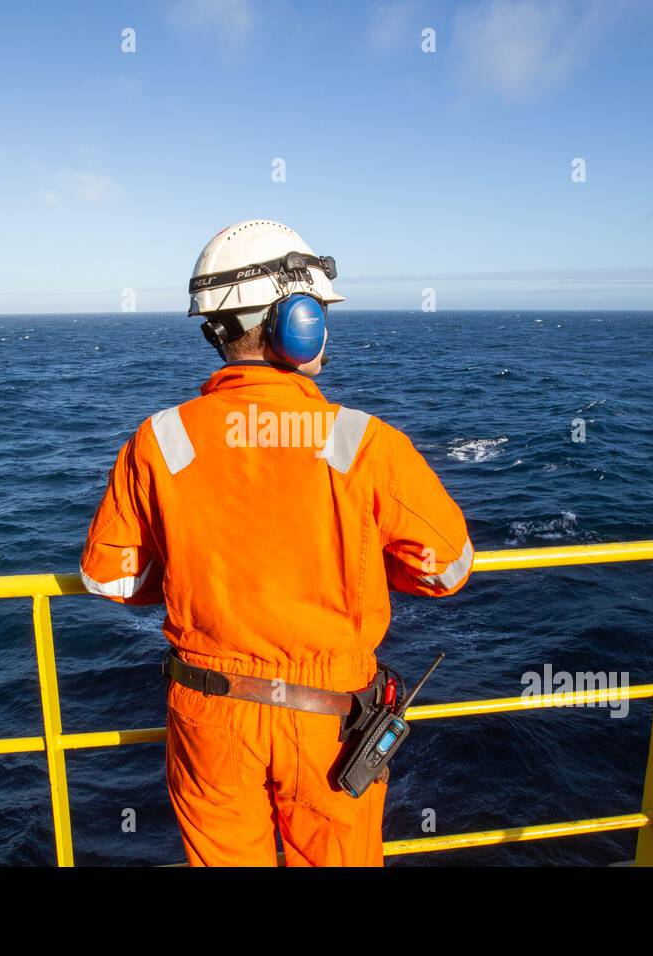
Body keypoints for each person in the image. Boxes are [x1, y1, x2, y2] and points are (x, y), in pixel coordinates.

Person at [80, 219, 473, 866]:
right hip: (331, 725)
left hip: (209, 714)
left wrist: (188, 574)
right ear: (297, 321)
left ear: (216, 331)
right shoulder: (363, 442)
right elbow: (446, 568)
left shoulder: (160, 440)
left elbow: (110, 580)